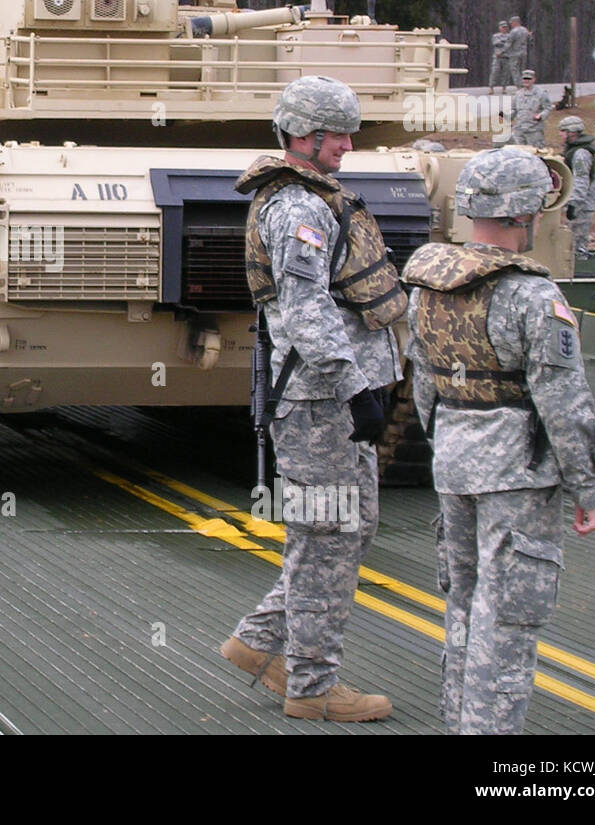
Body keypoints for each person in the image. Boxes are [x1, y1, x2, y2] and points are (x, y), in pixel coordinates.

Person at [402, 148, 595, 735]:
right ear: (528, 215)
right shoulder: (533, 298)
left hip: (455, 463)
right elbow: (565, 405)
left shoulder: (429, 289)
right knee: (509, 620)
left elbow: (424, 389)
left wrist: (447, 446)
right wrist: (587, 487)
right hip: (518, 473)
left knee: (463, 606)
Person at [220, 75, 404, 723]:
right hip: (321, 401)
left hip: (329, 400)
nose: (349, 144)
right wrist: (355, 387)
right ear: (306, 134)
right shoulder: (298, 208)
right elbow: (306, 309)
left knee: (344, 532)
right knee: (326, 537)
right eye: (339, 133)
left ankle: (259, 641)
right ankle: (312, 685)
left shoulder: (311, 198)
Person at [559, 116, 595, 258]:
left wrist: (574, 205)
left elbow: (581, 180)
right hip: (577, 201)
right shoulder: (573, 150)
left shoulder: (581, 154)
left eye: (563, 131)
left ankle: (580, 266)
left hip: (582, 204)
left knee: (577, 241)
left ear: (572, 132)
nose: (560, 134)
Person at [508, 69, 553, 147]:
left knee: (536, 153)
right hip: (519, 130)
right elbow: (514, 109)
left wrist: (541, 115)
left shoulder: (541, 93)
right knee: (519, 153)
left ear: (534, 80)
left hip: (534, 130)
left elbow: (548, 108)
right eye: (524, 79)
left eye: (529, 79)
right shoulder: (518, 94)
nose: (526, 81)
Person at [506, 15, 532, 83]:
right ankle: (525, 85)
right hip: (523, 53)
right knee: (522, 70)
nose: (511, 25)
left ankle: (519, 86)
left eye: (511, 23)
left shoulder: (513, 31)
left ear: (515, 22)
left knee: (515, 70)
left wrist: (502, 51)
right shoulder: (525, 30)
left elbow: (509, 43)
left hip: (515, 54)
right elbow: (530, 39)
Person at [488, 21, 512, 93]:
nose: (504, 29)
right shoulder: (496, 36)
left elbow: (509, 44)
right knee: (494, 72)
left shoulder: (510, 36)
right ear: (499, 28)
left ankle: (504, 88)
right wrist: (504, 42)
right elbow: (496, 43)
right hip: (497, 57)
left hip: (506, 57)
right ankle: (491, 87)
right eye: (502, 27)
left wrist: (503, 43)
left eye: (505, 27)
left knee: (505, 74)